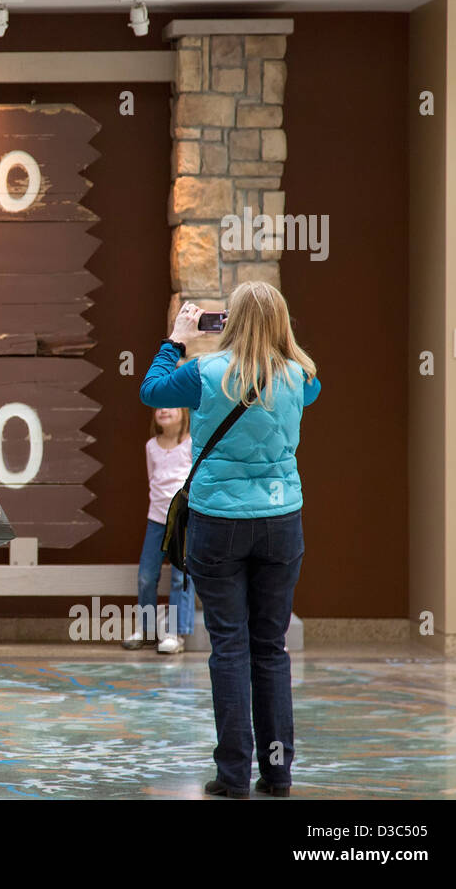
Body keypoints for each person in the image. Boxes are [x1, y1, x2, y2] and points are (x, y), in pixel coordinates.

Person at [139, 282, 320, 799]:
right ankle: (278, 773)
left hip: (218, 523)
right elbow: (312, 389)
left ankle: (234, 774)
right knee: (272, 648)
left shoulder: (205, 373)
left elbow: (152, 390)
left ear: (232, 322)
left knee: (229, 647)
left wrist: (177, 338)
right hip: (283, 521)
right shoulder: (300, 376)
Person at [122, 407, 196, 653]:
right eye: (159, 406)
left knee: (180, 577)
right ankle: (146, 628)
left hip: (182, 521)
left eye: (171, 405)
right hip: (156, 520)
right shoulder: (151, 446)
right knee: (146, 576)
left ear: (184, 412)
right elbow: (152, 479)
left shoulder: (190, 444)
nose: (163, 410)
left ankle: (175, 633)